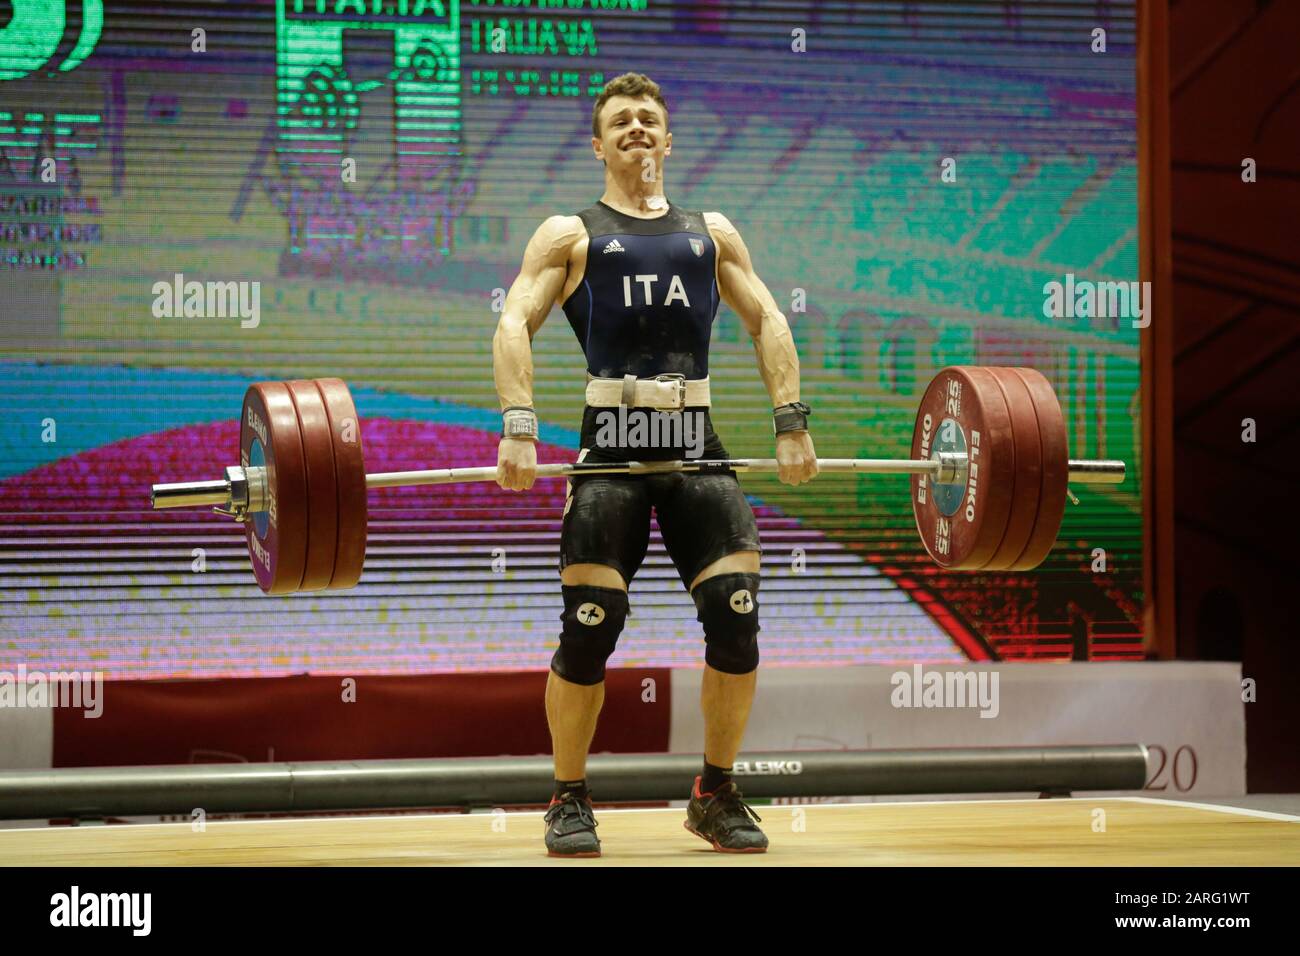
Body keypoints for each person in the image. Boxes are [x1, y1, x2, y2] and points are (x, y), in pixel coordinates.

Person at [492, 72, 817, 856]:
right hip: (611, 446)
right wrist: (518, 423)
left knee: (737, 620)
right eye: (620, 122)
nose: (637, 129)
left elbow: (767, 317)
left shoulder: (711, 233)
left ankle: (715, 790)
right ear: (597, 144)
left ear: (668, 140)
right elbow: (514, 319)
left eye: (649, 119)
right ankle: (568, 799)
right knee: (589, 628)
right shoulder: (567, 233)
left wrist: (790, 420)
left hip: (695, 443)